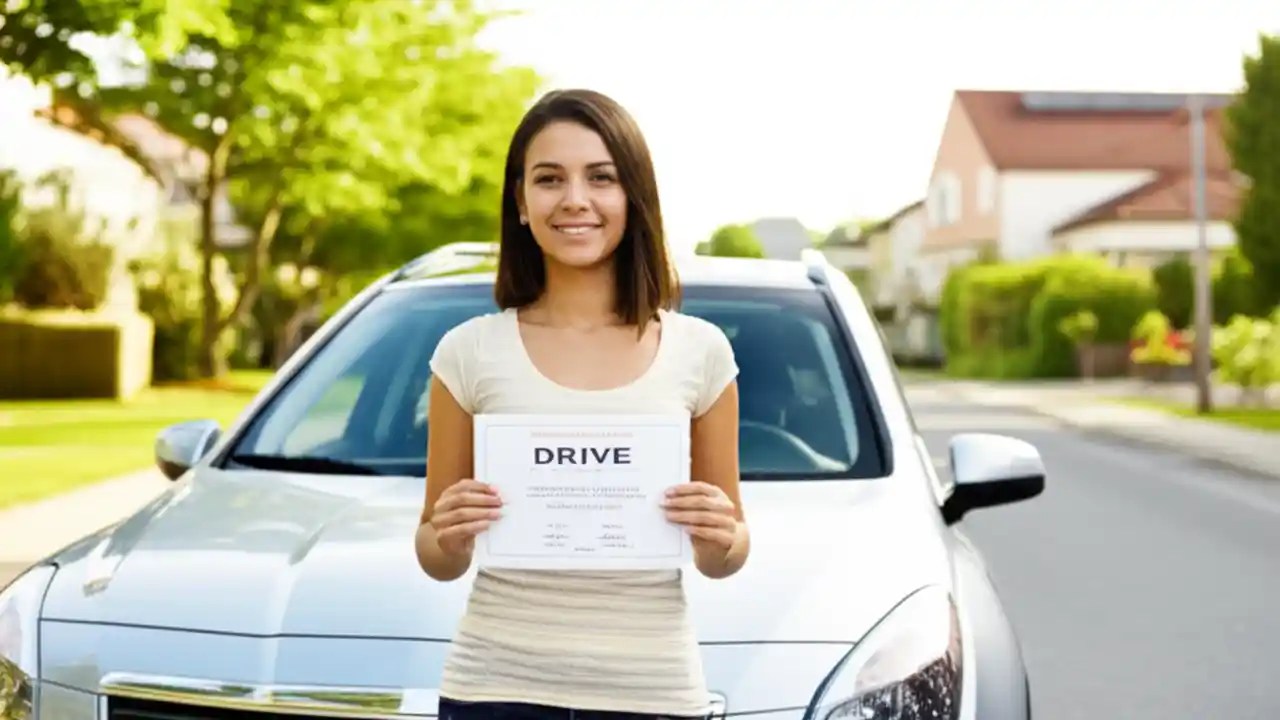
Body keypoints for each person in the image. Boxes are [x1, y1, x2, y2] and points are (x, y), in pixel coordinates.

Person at [414, 88, 749, 720]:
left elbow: (725, 557)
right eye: (548, 179)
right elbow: (435, 555)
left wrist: (721, 534)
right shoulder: (467, 353)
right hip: (494, 690)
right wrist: (450, 534)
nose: (574, 200)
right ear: (520, 202)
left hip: (653, 694)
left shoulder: (700, 352)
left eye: (601, 178)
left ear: (634, 198)